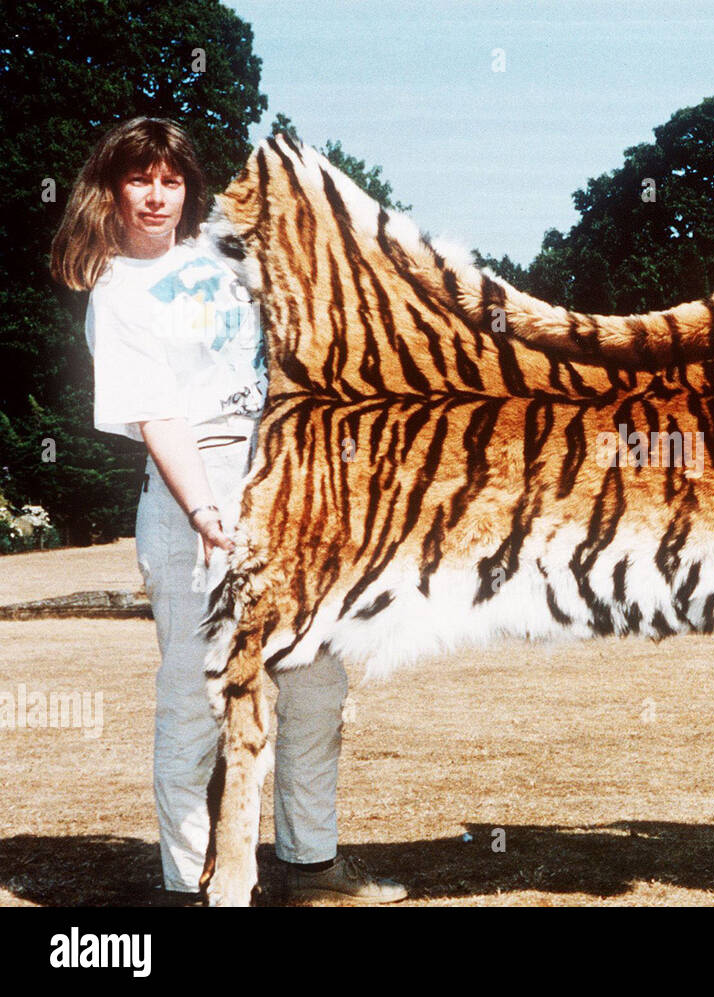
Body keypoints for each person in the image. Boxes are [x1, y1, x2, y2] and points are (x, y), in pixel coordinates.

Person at [50, 117, 406, 905]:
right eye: (140, 179)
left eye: (171, 180)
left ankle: (310, 866)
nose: (156, 195)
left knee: (315, 681)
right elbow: (158, 417)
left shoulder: (216, 258)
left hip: (281, 479)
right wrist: (209, 510)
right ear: (110, 189)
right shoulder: (116, 293)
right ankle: (189, 883)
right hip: (193, 493)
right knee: (198, 695)